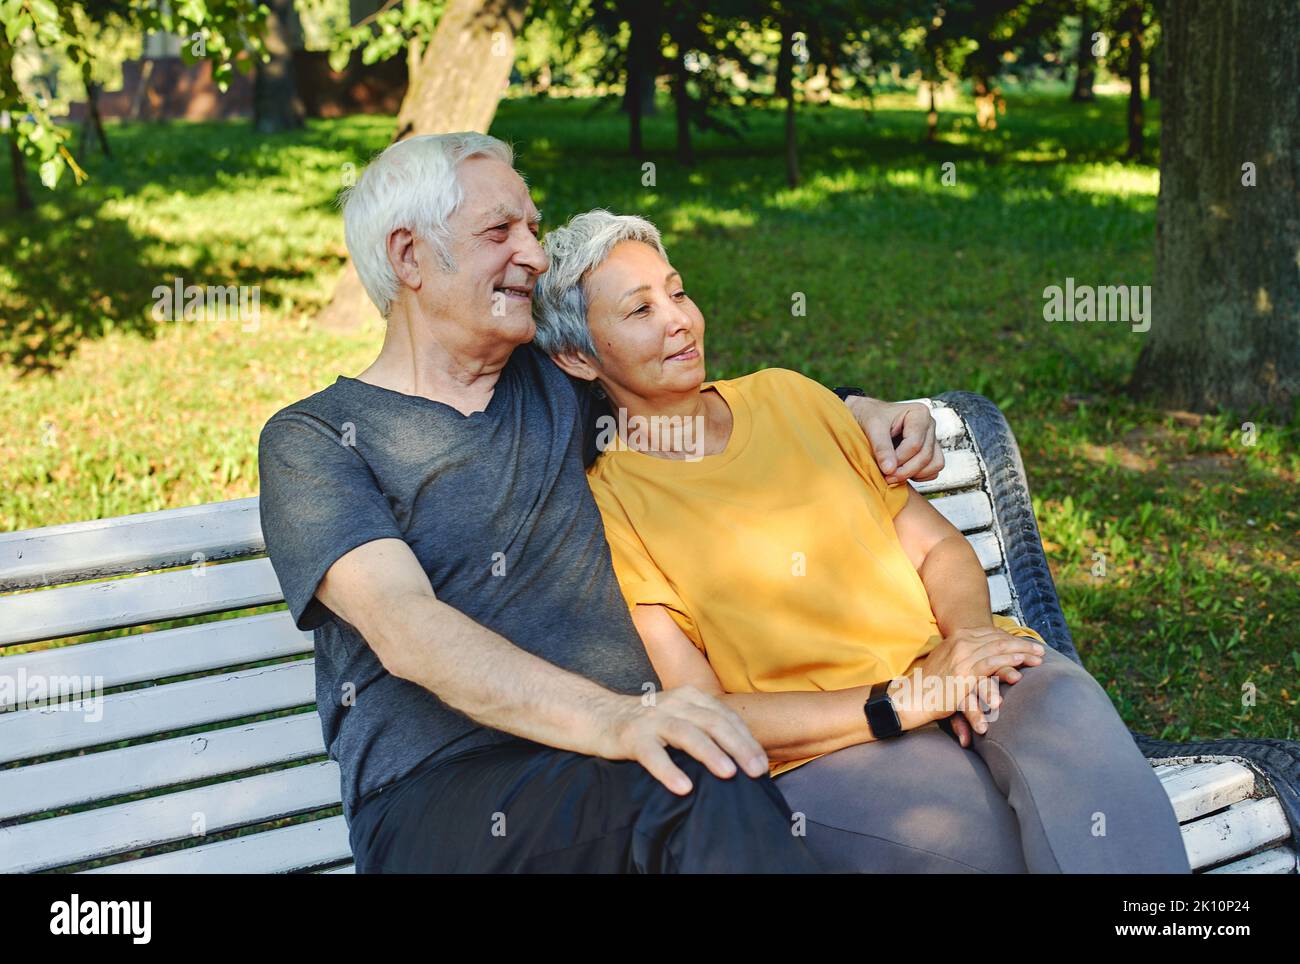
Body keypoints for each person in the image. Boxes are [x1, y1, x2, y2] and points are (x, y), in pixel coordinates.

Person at [256, 132, 945, 873]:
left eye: (532, 225)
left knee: (706, 769)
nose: (534, 253)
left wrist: (859, 408)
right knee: (702, 775)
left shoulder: (560, 385)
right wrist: (617, 718)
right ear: (408, 256)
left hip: (630, 766)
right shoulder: (317, 440)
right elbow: (408, 629)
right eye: (501, 231)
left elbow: (697, 394)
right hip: (446, 790)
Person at [533, 209, 1194, 874]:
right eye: (640, 309)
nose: (678, 318)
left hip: (966, 665)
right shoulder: (614, 505)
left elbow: (937, 549)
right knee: (965, 846)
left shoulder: (791, 397)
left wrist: (965, 650)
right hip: (836, 745)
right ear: (577, 355)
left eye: (677, 292)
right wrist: (897, 704)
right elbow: (711, 710)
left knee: (1082, 752)